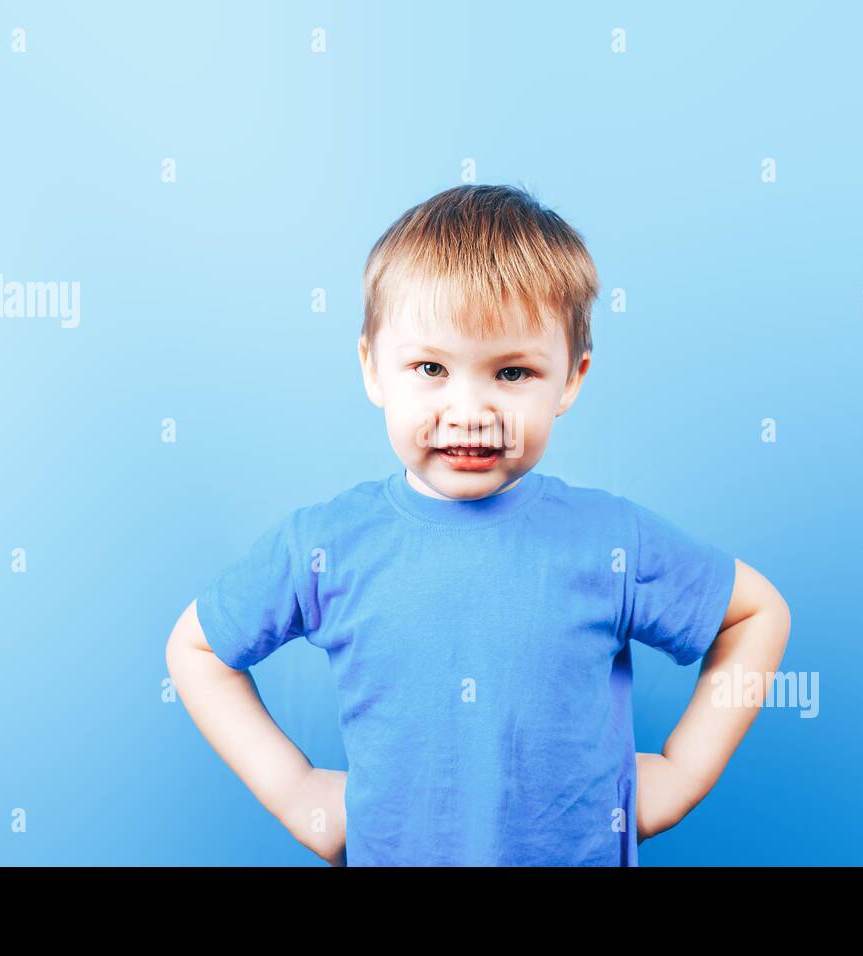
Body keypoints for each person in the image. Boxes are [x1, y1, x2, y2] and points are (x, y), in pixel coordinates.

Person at [165, 183, 791, 866]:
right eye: (430, 367)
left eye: (513, 372)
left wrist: (682, 773)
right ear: (373, 368)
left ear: (571, 380)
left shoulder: (610, 541)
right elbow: (197, 652)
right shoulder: (323, 546)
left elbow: (754, 614)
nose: (469, 410)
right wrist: (297, 794)